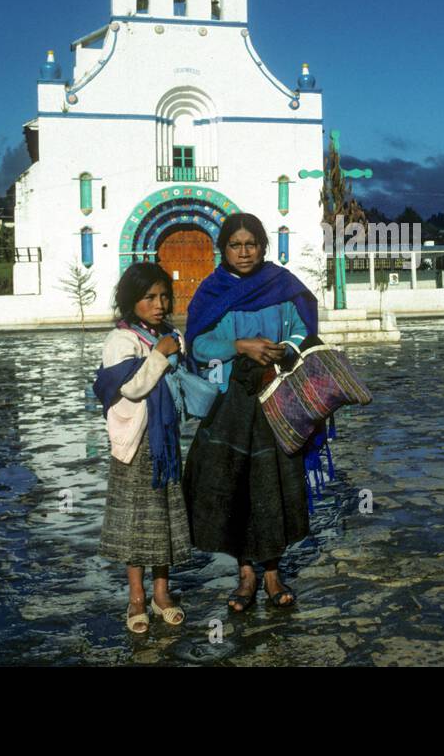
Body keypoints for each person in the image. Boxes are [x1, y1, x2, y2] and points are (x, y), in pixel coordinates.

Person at [183, 213, 322, 611]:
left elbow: (302, 327)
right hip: (231, 404)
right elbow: (198, 346)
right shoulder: (213, 291)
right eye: (235, 245)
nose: (244, 252)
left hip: (277, 398)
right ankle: (245, 576)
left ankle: (274, 574)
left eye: (251, 244)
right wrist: (240, 346)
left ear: (263, 246)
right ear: (222, 249)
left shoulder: (280, 284)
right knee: (238, 486)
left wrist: (285, 350)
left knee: (274, 484)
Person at [94, 262, 191, 632]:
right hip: (134, 443)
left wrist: (168, 350)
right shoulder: (120, 340)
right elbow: (131, 387)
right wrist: (161, 355)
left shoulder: (168, 333)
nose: (159, 303)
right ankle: (136, 596)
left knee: (163, 518)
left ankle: (162, 593)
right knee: (136, 523)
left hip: (164, 442)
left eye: (164, 296)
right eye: (149, 297)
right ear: (131, 300)